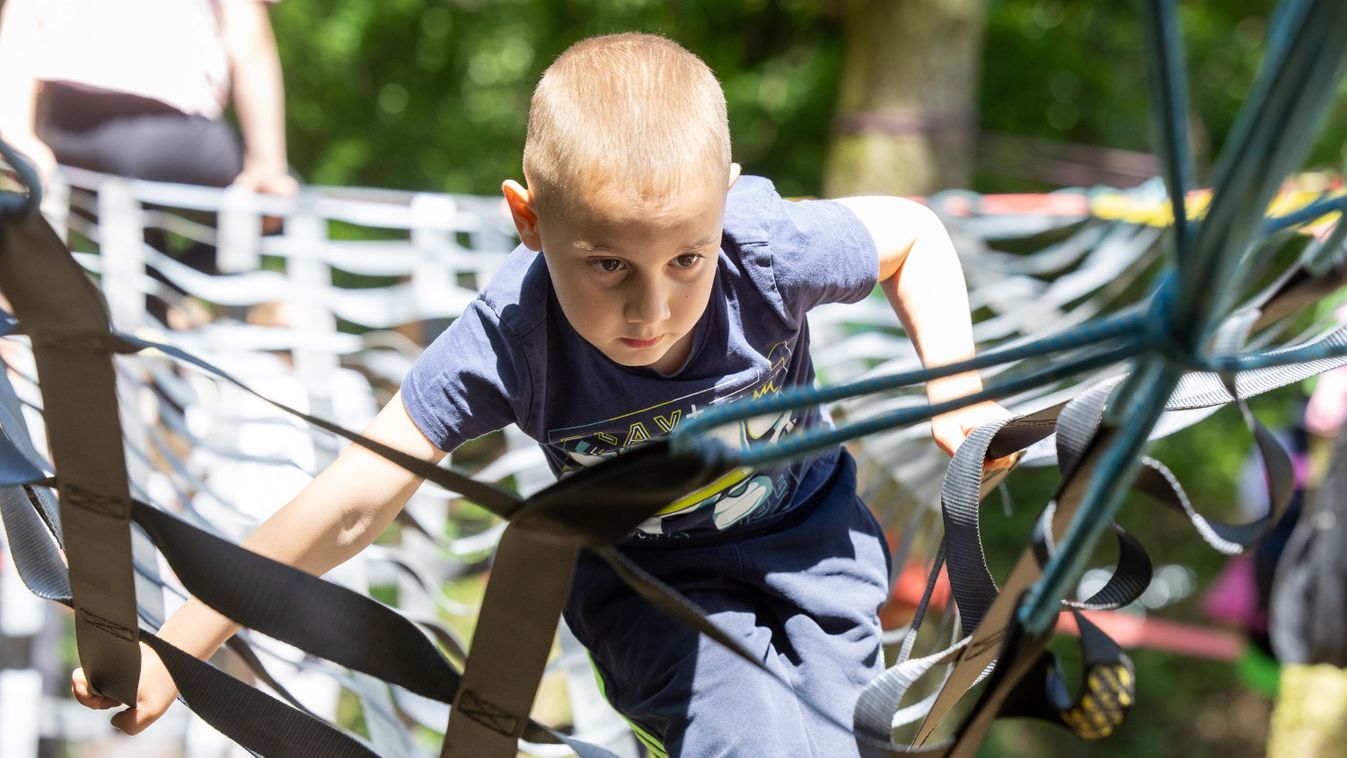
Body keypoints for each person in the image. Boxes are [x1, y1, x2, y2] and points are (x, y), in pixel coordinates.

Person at [71, 33, 1009, 756]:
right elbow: (354, 502)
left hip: (814, 550)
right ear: (529, 221)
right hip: (652, 595)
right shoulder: (510, 340)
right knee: (749, 739)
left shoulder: (762, 249)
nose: (653, 308)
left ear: (722, 205)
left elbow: (913, 236)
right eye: (606, 265)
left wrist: (954, 390)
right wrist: (185, 637)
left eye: (685, 258)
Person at [0, 0, 295, 197]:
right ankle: (179, 286)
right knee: (281, 206)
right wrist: (267, 166)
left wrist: (18, 136)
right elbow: (248, 37)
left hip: (62, 133)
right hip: (166, 134)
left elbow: (22, 20)